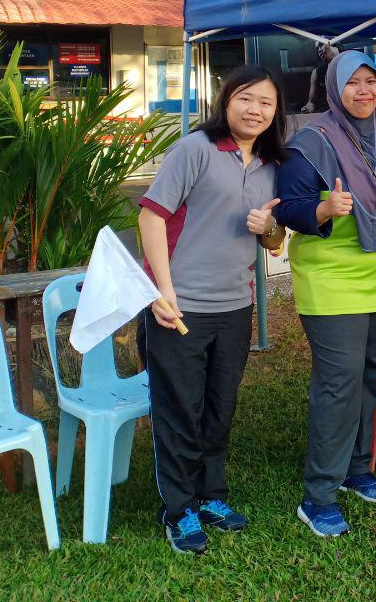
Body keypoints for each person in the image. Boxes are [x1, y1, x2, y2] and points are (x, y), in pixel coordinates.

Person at [137, 65, 287, 554]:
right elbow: (151, 216)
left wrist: (268, 226)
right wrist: (162, 290)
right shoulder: (196, 149)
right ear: (227, 101)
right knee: (181, 409)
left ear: (275, 111)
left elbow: (276, 244)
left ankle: (210, 496)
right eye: (246, 98)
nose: (255, 109)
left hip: (235, 306)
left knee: (220, 407)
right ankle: (178, 510)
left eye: (266, 102)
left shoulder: (270, 165)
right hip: (179, 307)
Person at [275, 50, 376, 538]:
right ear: (334, 89)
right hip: (332, 278)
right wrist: (323, 209)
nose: (363, 91)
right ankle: (319, 494)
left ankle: (358, 468)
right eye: (353, 82)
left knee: (371, 376)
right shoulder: (310, 142)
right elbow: (289, 208)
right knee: (338, 382)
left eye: (371, 81)